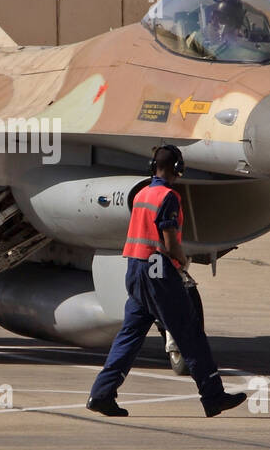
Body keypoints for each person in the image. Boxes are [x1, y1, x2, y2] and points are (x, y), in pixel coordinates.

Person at [87, 145, 246, 418]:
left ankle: (101, 394)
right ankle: (212, 396)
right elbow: (170, 239)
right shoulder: (168, 197)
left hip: (135, 269)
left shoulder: (142, 193)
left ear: (153, 166)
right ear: (177, 169)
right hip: (158, 272)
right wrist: (182, 261)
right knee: (189, 333)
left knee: (130, 336)